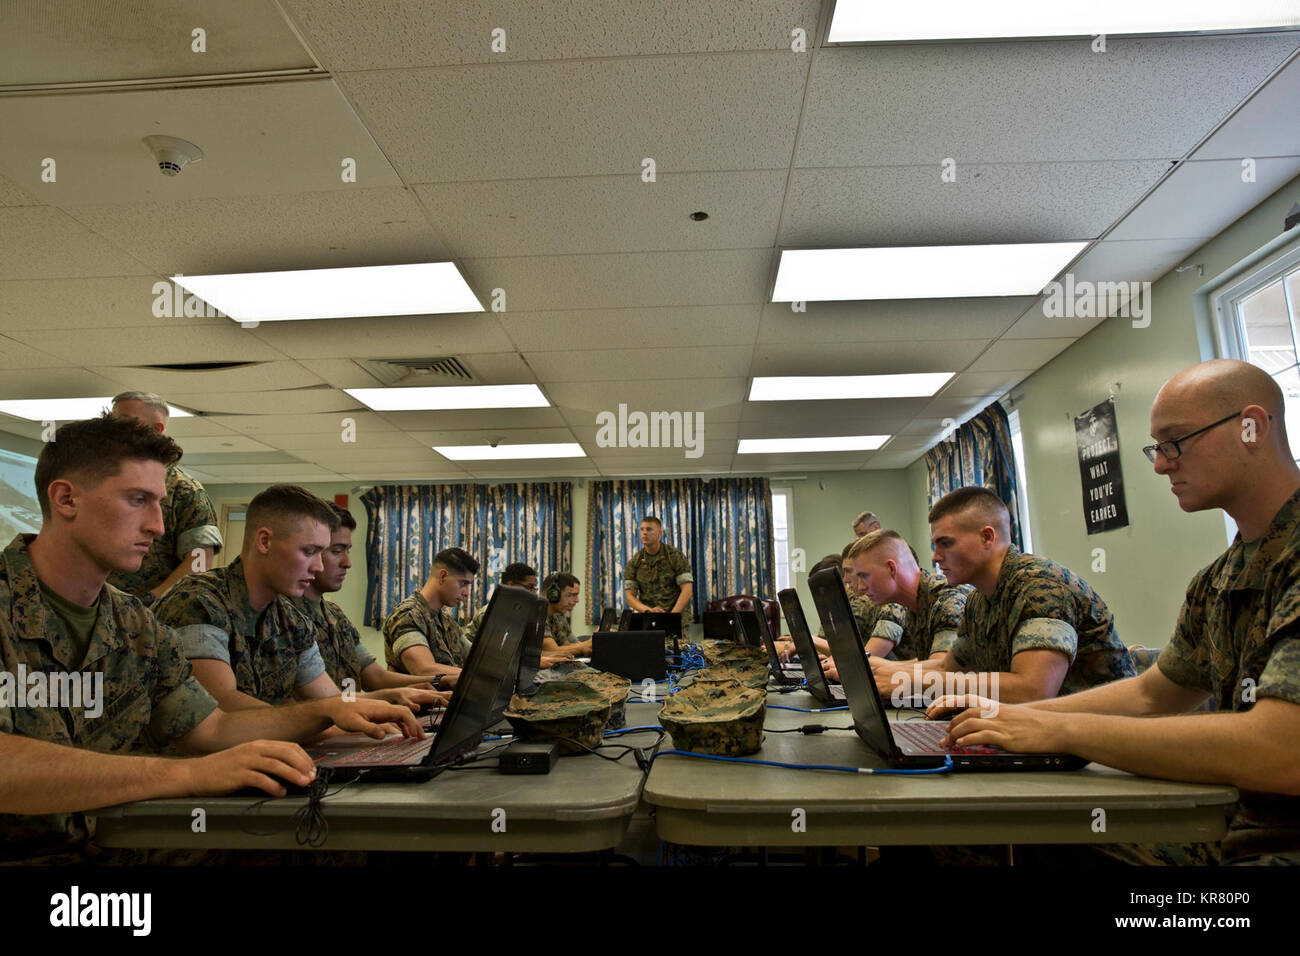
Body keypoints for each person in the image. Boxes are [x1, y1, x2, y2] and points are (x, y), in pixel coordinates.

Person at [0, 416, 420, 864]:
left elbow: (211, 726)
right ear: (66, 499)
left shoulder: (133, 623)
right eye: (137, 500)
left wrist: (325, 712)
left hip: (118, 843)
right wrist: (190, 775)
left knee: (342, 846)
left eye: (159, 503)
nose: (159, 527)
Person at [938, 360, 1300, 865]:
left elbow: (1284, 750)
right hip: (1232, 826)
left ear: (1251, 427)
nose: (1160, 464)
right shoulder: (1219, 578)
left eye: (1176, 441)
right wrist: (1015, 717)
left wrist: (1059, 730)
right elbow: (1155, 694)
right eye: (1157, 447)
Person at [871, 486, 1134, 703]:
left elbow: (1032, 690)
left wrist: (907, 682)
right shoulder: (980, 599)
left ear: (987, 537)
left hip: (1109, 740)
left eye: (946, 543)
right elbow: (947, 668)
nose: (935, 557)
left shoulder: (1038, 586)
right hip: (1047, 734)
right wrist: (882, 672)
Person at [155, 485, 405, 711]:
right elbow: (221, 706)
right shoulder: (199, 602)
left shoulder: (292, 619)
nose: (318, 567)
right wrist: (326, 718)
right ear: (265, 541)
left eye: (321, 553)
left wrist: (392, 703)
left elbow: (328, 699)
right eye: (309, 552)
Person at [296, 504, 448, 707]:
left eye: (348, 551)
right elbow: (325, 702)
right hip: (324, 731)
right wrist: (387, 698)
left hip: (353, 724)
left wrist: (439, 682)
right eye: (337, 551)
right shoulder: (287, 616)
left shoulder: (334, 615)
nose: (347, 562)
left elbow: (374, 677)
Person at [106, 391, 222, 602]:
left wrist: (150, 600)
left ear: (157, 429)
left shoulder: (185, 490)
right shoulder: (101, 480)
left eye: (125, 423)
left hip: (149, 615)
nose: (114, 432)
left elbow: (199, 562)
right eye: (112, 424)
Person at [845, 530, 970, 661]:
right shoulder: (913, 605)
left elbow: (939, 671)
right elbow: (925, 663)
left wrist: (878, 668)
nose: (861, 587)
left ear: (891, 568)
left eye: (864, 576)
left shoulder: (947, 601)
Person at [383, 547, 478, 685]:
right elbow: (423, 669)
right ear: (443, 576)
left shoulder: (447, 622)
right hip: (416, 705)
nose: (466, 593)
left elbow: (477, 658)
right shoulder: (407, 615)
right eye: (463, 584)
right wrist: (478, 677)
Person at [623, 515, 693, 624]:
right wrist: (648, 611)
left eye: (649, 529)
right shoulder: (635, 562)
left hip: (675, 617)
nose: (644, 533)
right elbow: (629, 596)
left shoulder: (674, 556)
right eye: (642, 529)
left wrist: (672, 616)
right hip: (649, 619)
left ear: (660, 533)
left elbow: (687, 590)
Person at [462, 562, 537, 642]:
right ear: (510, 585)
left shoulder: (523, 612)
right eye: (529, 587)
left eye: (534, 588)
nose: (534, 593)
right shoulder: (491, 613)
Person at [539, 572, 592, 657]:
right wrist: (587, 644)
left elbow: (566, 647)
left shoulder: (557, 615)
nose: (577, 600)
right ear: (553, 594)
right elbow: (552, 651)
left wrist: (590, 643)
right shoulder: (537, 613)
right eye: (570, 595)